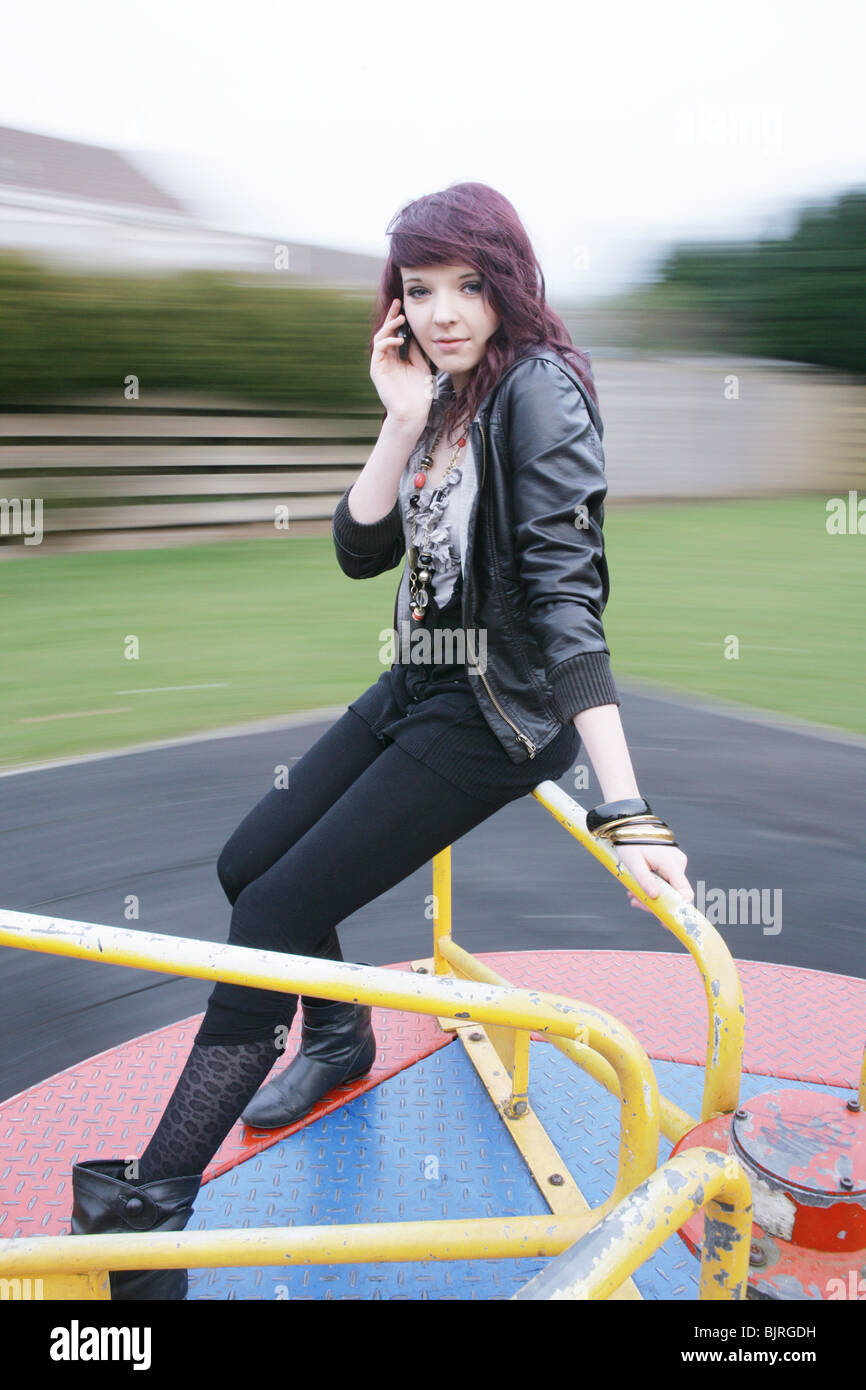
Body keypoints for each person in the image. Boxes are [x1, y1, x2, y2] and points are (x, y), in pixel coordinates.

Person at [69, 181, 694, 1299]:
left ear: (508, 279)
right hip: (416, 681)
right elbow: (361, 552)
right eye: (420, 287)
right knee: (244, 866)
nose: (445, 309)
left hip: (494, 717)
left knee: (269, 913)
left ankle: (150, 1203)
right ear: (396, 300)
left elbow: (563, 603)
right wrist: (399, 414)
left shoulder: (537, 391)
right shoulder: (443, 393)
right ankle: (338, 1038)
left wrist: (626, 804)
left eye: (467, 284)